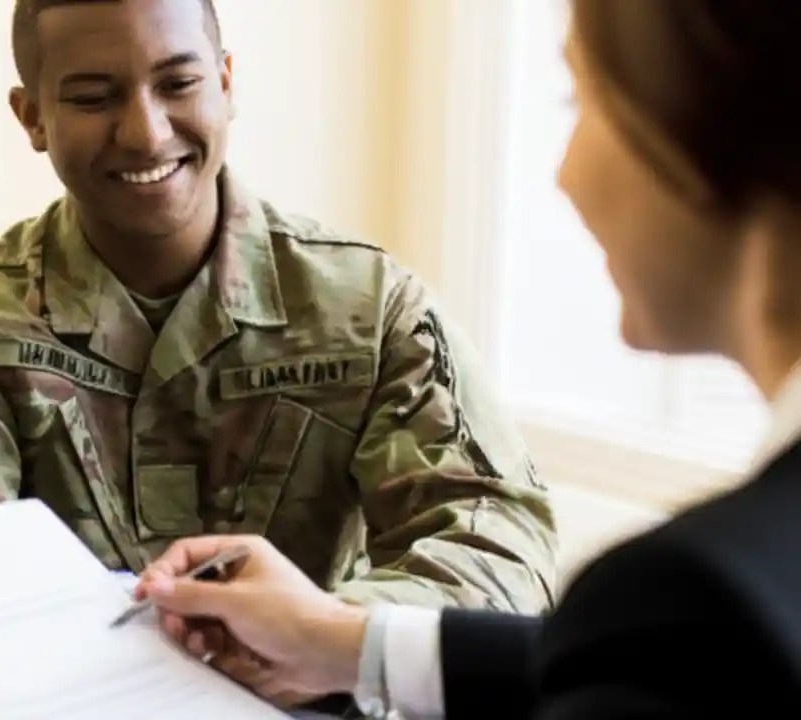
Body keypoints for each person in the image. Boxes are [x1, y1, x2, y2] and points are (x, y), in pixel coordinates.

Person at [135, 0, 801, 718]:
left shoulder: (694, 601)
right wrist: (346, 642)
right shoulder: (706, 621)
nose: (565, 175)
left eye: (582, 101)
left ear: (693, 141)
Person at [0, 0, 555, 663]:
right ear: (32, 116)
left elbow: (496, 549)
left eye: (178, 84)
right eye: (94, 98)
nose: (146, 133)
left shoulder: (371, 312)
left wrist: (323, 635)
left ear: (225, 83)